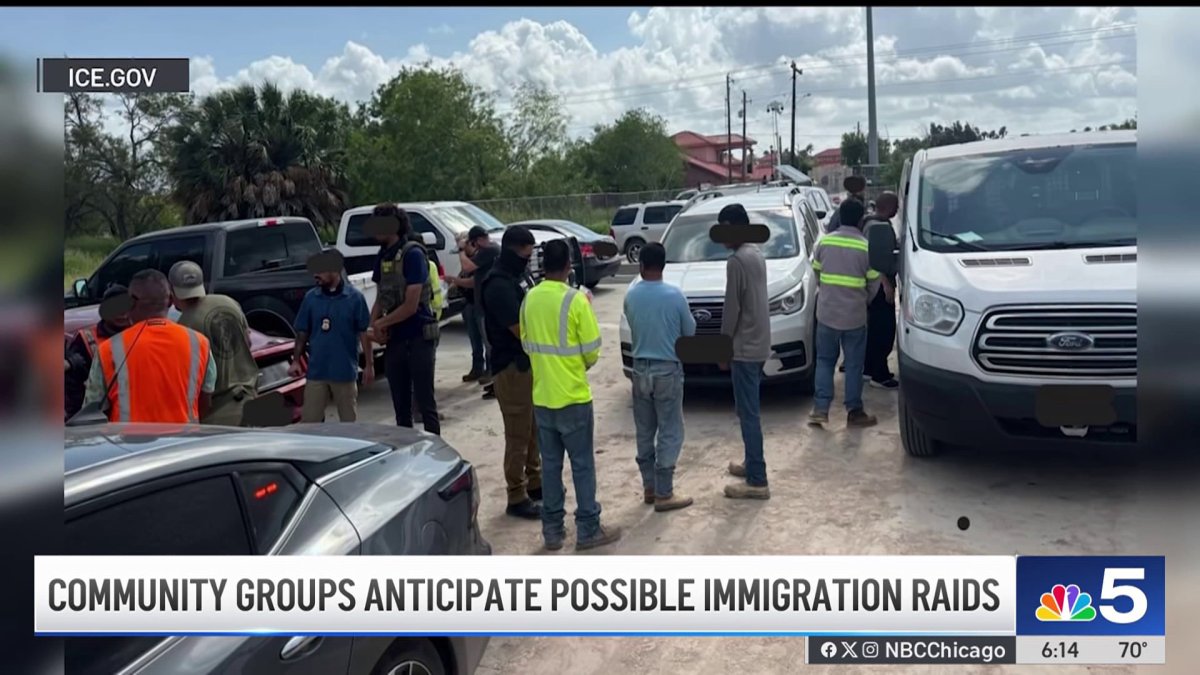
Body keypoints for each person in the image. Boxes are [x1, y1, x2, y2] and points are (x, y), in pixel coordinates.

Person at [521, 239, 621, 551]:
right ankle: (588, 528)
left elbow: (526, 345)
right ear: (568, 265)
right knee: (582, 465)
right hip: (574, 397)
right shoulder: (575, 300)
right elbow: (591, 351)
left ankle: (552, 532)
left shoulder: (529, 299)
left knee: (549, 466)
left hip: (542, 398)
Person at [81, 269, 216, 423]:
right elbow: (206, 400)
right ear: (171, 300)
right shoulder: (200, 343)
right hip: (182, 443)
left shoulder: (109, 349)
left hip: (127, 444)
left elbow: (92, 410)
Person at [623, 242, 696, 512]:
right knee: (670, 430)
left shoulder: (631, 296)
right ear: (664, 266)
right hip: (668, 370)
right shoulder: (675, 296)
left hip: (640, 369)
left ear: (641, 265)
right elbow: (689, 331)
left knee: (644, 430)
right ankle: (665, 492)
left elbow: (632, 325)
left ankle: (649, 487)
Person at [480, 225, 543, 520]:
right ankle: (516, 495)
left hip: (528, 366)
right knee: (518, 433)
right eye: (525, 252)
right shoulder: (498, 285)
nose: (528, 258)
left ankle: (535, 482)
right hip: (511, 367)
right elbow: (519, 330)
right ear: (512, 250)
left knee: (534, 430)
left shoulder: (519, 276)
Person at [809, 199, 882, 428]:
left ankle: (820, 410)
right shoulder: (865, 246)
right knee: (853, 366)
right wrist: (862, 302)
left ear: (840, 217)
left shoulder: (824, 243)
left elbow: (816, 274)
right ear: (861, 219)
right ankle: (854, 411)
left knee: (824, 361)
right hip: (854, 317)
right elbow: (874, 284)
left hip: (827, 314)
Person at [717, 204, 773, 500]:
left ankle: (757, 480)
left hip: (745, 347)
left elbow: (732, 309)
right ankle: (753, 463)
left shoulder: (737, 261)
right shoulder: (755, 254)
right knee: (748, 410)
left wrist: (723, 346)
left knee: (748, 413)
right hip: (758, 343)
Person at [369, 203, 440, 434]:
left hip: (418, 338)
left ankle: (437, 458)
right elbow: (381, 296)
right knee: (401, 410)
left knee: (426, 406)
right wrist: (374, 326)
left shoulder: (413, 254)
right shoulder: (383, 256)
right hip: (396, 342)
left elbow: (411, 305)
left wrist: (381, 323)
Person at [169, 261, 259, 426]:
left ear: (172, 292)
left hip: (218, 413)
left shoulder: (184, 326)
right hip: (250, 397)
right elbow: (248, 341)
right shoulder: (229, 302)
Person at [289, 250, 372, 422]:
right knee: (310, 422)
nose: (316, 275)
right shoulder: (311, 298)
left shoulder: (355, 299)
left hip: (344, 371)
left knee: (349, 422)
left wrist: (369, 365)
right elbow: (302, 332)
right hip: (317, 371)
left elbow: (364, 333)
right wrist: (296, 360)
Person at [64, 284, 131, 420]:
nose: (122, 314)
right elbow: (74, 380)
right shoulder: (87, 338)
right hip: (99, 418)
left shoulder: (140, 333)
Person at [453, 225, 501, 400]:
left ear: (479, 240)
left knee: (491, 346)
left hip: (487, 306)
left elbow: (467, 268)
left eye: (474, 243)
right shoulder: (485, 252)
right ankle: (495, 383)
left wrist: (461, 250)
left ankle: (497, 383)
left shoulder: (491, 249)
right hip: (481, 305)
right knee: (488, 345)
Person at [861, 191, 900, 390]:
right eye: (896, 206)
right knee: (883, 331)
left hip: (875, 284)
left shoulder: (870, 223)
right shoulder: (877, 227)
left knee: (875, 329)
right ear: (888, 207)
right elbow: (872, 258)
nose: (898, 210)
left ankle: (869, 370)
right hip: (878, 286)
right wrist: (885, 283)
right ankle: (879, 374)